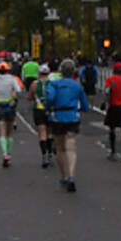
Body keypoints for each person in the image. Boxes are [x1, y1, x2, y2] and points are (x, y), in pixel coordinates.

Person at [43, 59, 89, 193]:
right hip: (72, 117)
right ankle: (72, 176)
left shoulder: (54, 84)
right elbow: (85, 105)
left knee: (59, 148)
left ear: (60, 71)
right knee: (71, 147)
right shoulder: (77, 86)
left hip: (58, 117)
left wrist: (48, 107)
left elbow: (50, 99)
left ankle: (64, 175)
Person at [0, 63, 24, 167]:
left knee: (2, 131)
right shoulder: (12, 79)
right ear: (8, 70)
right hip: (9, 105)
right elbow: (19, 90)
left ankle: (4, 153)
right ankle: (9, 154)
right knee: (9, 132)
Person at [103, 62, 121, 161]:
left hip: (113, 106)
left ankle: (113, 152)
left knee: (112, 129)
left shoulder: (110, 80)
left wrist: (105, 103)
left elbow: (107, 92)